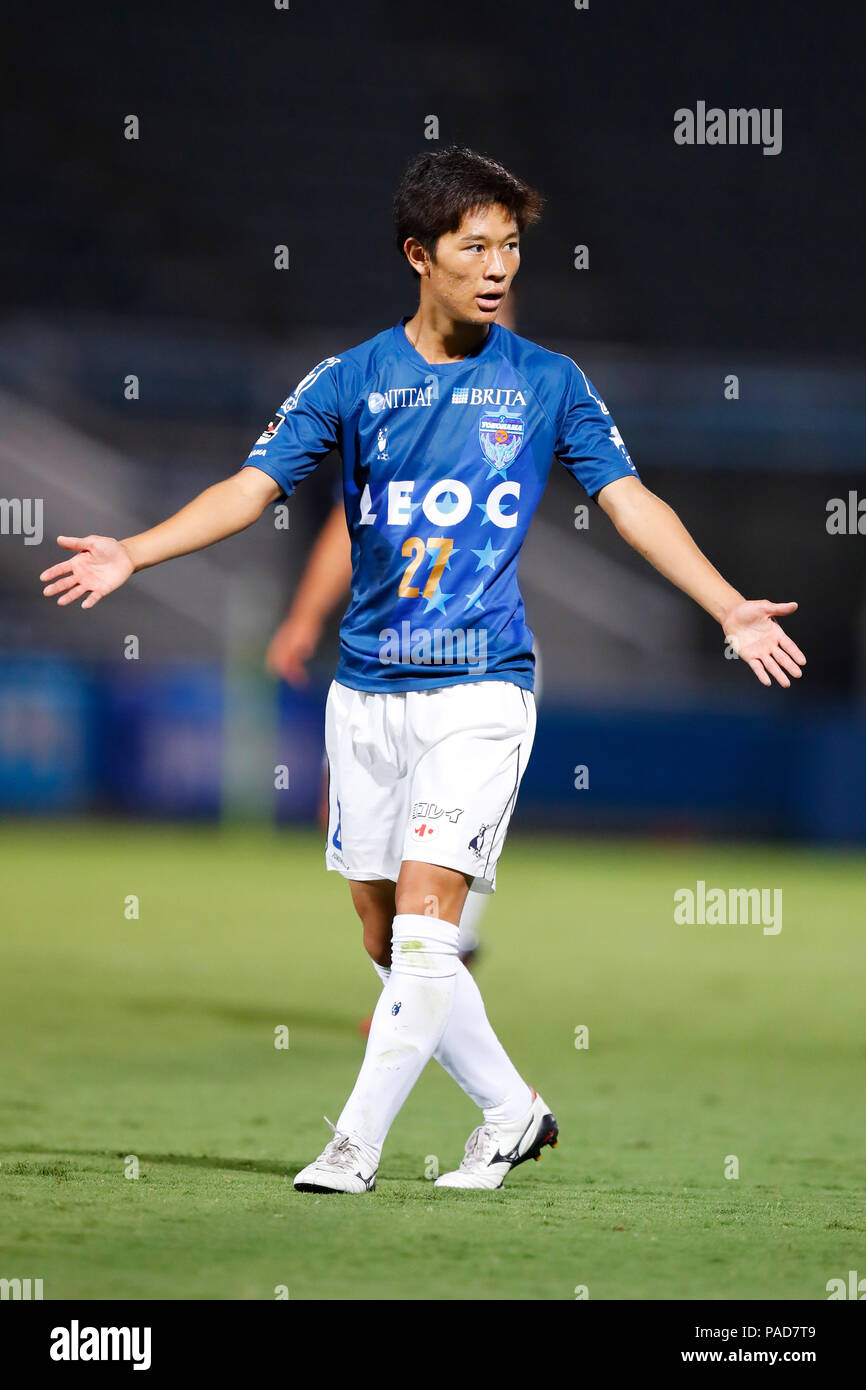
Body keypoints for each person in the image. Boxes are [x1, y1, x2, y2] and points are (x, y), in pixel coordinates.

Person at [40, 146, 806, 1195]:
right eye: (474, 247)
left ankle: (351, 1146)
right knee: (379, 924)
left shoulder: (547, 383)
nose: (497, 267)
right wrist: (133, 549)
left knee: (423, 927)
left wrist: (723, 604)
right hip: (365, 694)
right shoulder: (352, 380)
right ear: (419, 255)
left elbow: (629, 501)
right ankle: (509, 1108)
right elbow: (251, 487)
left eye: (511, 248)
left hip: (482, 688)